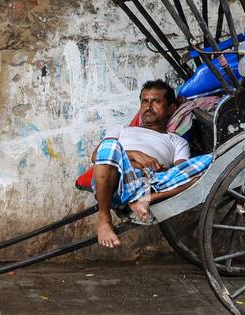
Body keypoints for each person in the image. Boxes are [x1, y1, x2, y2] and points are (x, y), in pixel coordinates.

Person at [90, 79, 212, 249]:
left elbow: (182, 171)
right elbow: (97, 155)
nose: (148, 106)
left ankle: (146, 198)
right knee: (110, 146)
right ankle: (104, 219)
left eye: (156, 101)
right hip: (115, 182)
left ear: (171, 108)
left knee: (212, 162)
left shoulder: (176, 140)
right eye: (144, 101)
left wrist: (158, 168)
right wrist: (136, 156)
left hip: (151, 182)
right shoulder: (121, 129)